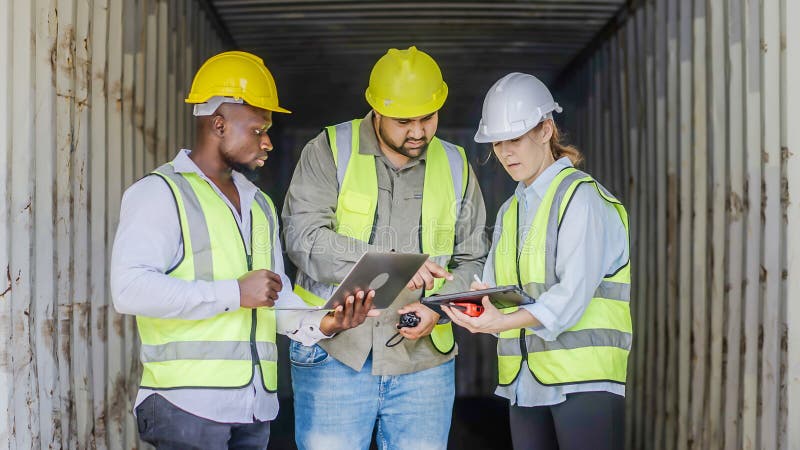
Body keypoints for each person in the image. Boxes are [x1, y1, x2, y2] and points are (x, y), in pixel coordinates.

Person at [110, 50, 375, 450]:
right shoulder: (160, 194)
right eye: (257, 129)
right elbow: (129, 289)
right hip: (187, 406)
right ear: (219, 124)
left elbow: (273, 296)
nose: (267, 142)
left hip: (253, 408)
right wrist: (234, 293)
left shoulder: (259, 204)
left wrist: (323, 324)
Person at [282, 46, 488, 449]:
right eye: (403, 121)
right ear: (375, 111)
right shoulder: (328, 151)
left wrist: (436, 307)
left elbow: (472, 256)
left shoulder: (456, 164)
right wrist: (390, 265)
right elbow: (302, 237)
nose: (417, 131)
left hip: (423, 363)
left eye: (427, 118)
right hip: (334, 354)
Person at [442, 72, 631, 450]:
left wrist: (501, 319)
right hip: (524, 383)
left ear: (545, 130)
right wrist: (477, 302)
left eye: (514, 139)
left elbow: (571, 298)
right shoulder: (512, 209)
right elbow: (500, 290)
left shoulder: (582, 199)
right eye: (497, 143)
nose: (505, 152)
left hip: (584, 382)